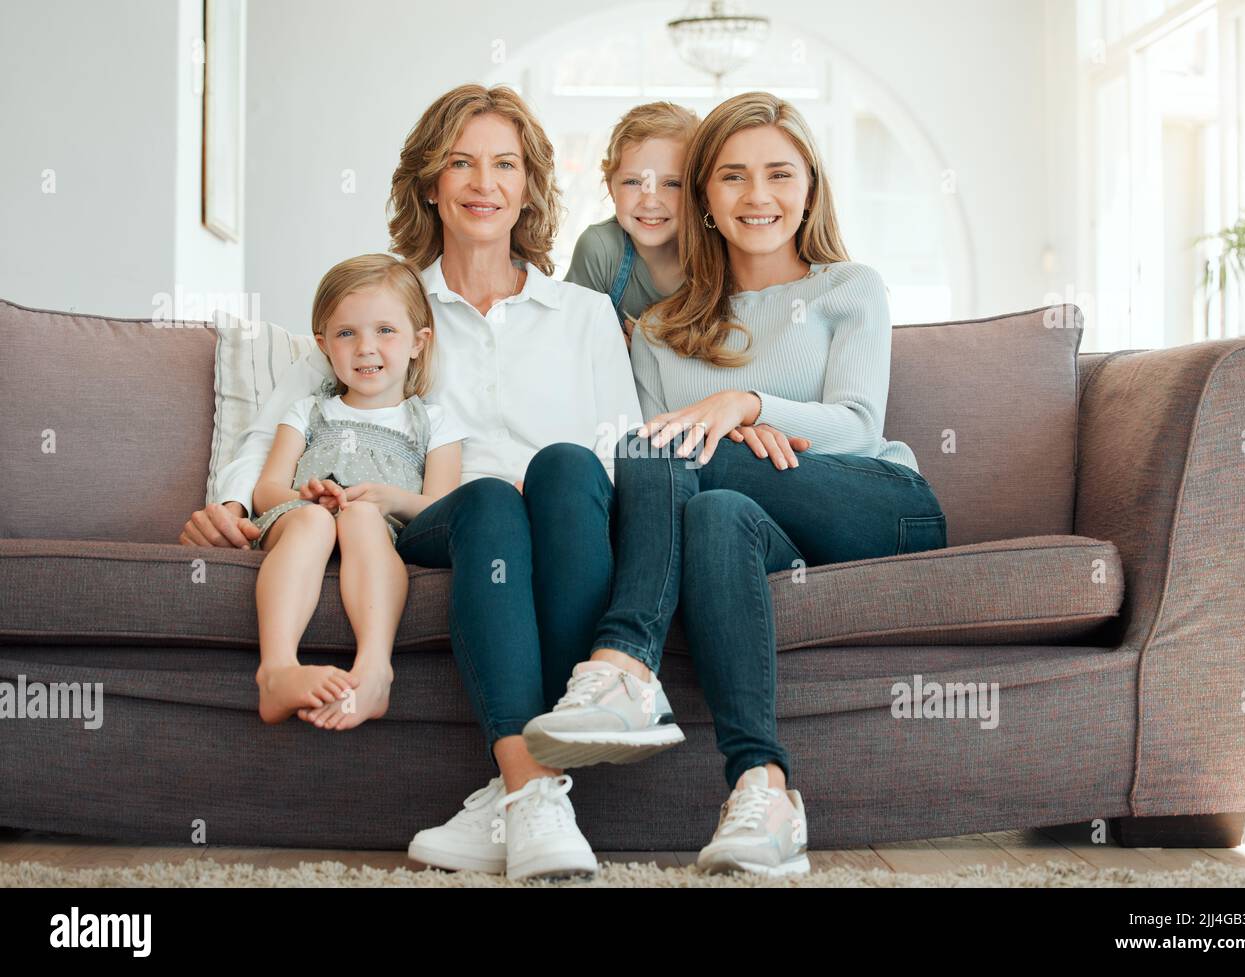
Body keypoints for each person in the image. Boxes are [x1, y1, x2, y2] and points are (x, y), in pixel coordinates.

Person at [183, 85, 643, 881]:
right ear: (430, 182)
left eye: (504, 164)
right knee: (493, 498)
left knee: (566, 464)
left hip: (565, 516)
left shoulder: (583, 315)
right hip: (438, 515)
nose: (483, 182)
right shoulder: (387, 305)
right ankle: (532, 787)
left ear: (529, 185)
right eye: (460, 163)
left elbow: (620, 454)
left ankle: (509, 791)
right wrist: (231, 499)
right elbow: (287, 414)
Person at [523, 91, 949, 877]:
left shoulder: (848, 288)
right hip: (754, 525)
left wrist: (743, 405)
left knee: (682, 445)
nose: (759, 196)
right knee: (706, 500)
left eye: (780, 175)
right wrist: (730, 445)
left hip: (876, 503)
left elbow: (855, 423)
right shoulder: (658, 331)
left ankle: (624, 662)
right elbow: (663, 488)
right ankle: (764, 787)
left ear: (811, 187)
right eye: (734, 178)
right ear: (706, 203)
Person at [251, 254, 465, 731]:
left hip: (376, 531)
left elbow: (442, 510)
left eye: (385, 331)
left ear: (418, 342)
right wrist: (304, 499)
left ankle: (373, 668)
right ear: (325, 345)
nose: (366, 348)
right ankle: (277, 670)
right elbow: (265, 490)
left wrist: (388, 499)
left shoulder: (435, 423)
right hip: (301, 522)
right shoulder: (308, 411)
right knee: (314, 521)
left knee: (362, 517)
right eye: (347, 333)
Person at [564, 102, 698, 342]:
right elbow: (571, 341)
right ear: (611, 188)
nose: (650, 202)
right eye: (634, 182)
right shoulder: (601, 249)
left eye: (672, 184)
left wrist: (654, 351)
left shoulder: (716, 251)